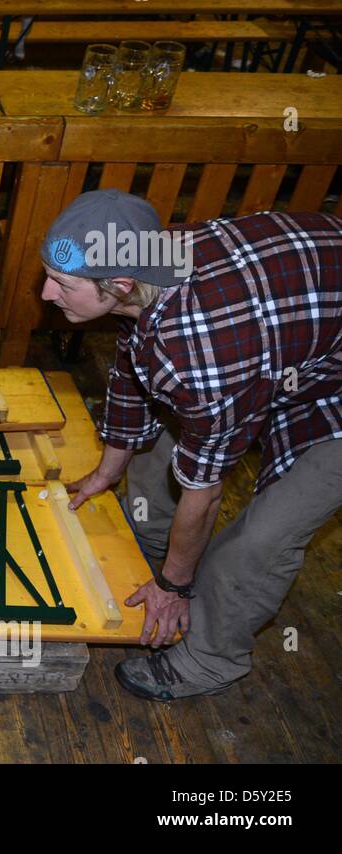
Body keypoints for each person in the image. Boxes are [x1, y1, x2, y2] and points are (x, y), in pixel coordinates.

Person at [40, 189, 342, 700]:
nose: (47, 294)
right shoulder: (151, 254)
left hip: (318, 377)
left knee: (262, 540)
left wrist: (177, 585)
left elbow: (203, 494)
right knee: (160, 450)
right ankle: (149, 559)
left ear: (119, 284)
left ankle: (210, 658)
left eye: (62, 284)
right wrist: (105, 473)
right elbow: (134, 374)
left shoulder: (202, 358)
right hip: (291, 331)